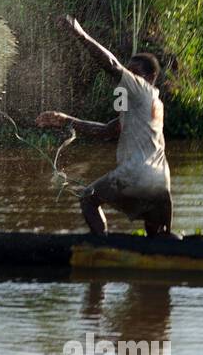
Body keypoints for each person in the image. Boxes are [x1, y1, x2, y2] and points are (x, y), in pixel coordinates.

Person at [37, 15, 173, 237]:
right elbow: (108, 131)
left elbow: (111, 65)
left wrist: (80, 35)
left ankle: (102, 246)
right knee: (156, 235)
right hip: (160, 181)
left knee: (88, 198)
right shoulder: (150, 103)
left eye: (134, 73)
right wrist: (66, 120)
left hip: (134, 174)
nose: (127, 78)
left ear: (150, 77)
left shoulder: (141, 90)